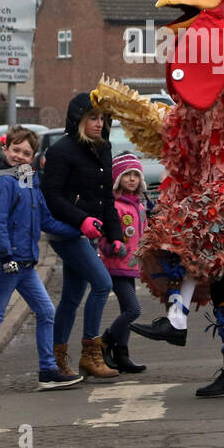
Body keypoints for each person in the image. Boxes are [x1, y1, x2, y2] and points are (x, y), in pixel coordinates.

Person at [0, 127, 84, 396]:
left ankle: (48, 370)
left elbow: (45, 221)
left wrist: (80, 228)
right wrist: (6, 256)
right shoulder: (4, 183)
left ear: (33, 157)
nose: (19, 156)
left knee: (45, 312)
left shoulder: (29, 183)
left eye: (26, 153)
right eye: (15, 150)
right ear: (5, 150)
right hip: (8, 264)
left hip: (26, 264)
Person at [40, 93, 126, 380]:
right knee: (102, 284)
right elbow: (51, 196)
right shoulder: (61, 151)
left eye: (102, 118)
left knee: (72, 297)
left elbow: (106, 198)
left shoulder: (103, 148)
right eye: (93, 118)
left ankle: (56, 360)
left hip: (88, 232)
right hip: (66, 232)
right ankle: (91, 353)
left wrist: (115, 235)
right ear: (79, 120)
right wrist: (81, 219)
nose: (99, 123)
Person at [99, 153, 148, 374]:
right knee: (133, 309)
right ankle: (106, 341)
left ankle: (122, 354)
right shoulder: (115, 206)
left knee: (126, 309)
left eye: (135, 175)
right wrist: (111, 247)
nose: (131, 179)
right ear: (118, 178)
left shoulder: (139, 206)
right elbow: (104, 234)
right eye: (127, 174)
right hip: (115, 265)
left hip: (132, 266)